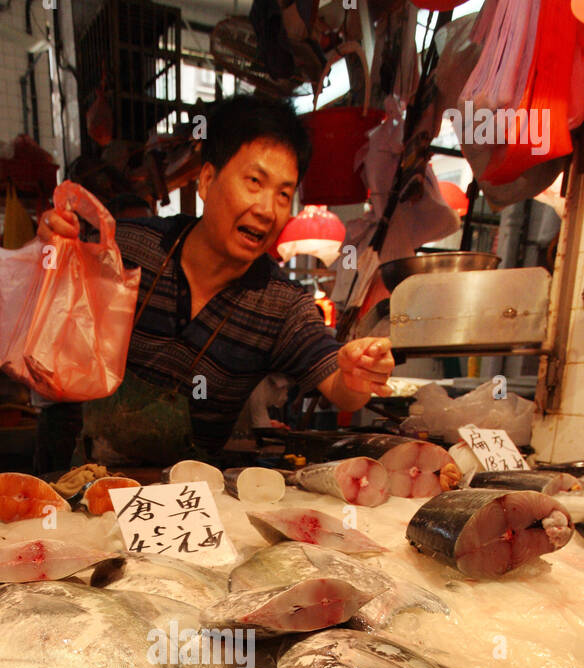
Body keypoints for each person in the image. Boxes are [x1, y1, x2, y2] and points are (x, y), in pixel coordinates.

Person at [38, 94, 394, 465]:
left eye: (283, 194)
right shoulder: (126, 250)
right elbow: (49, 321)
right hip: (73, 487)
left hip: (183, 506)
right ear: (207, 181)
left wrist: (358, 374)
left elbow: (340, 385)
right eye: (254, 181)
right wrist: (51, 251)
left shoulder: (281, 304)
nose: (266, 209)